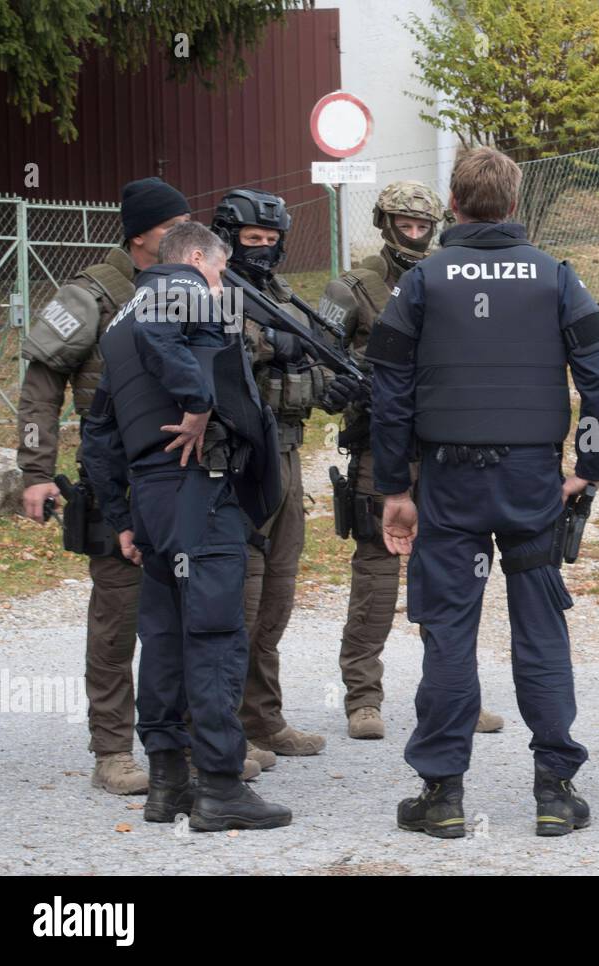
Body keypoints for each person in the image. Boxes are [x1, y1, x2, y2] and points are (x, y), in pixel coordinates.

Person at [367, 146, 599, 838]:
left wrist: (394, 485)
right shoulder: (556, 277)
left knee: (449, 630)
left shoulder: (421, 283)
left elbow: (387, 391)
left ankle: (442, 793)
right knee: (540, 627)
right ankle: (555, 791)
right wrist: (591, 465)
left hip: (448, 480)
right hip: (533, 478)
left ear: (452, 205)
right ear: (515, 205)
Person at [81, 221, 291, 830]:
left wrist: (121, 516)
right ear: (196, 256)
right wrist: (199, 404)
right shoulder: (178, 292)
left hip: (152, 497)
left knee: (166, 638)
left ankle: (168, 783)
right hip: (200, 488)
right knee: (216, 634)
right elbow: (170, 346)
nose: (221, 282)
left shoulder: (120, 320)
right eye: (221, 269)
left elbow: (97, 433)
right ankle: (221, 787)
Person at [16, 178, 190, 795]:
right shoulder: (92, 294)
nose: (183, 237)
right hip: (111, 480)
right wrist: (36, 472)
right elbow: (41, 382)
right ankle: (112, 750)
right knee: (118, 620)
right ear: (139, 234)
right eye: (171, 228)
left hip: (179, 482)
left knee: (190, 615)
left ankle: (184, 742)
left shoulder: (187, 289)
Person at [320, 180, 505, 740]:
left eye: (423, 225)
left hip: (448, 447)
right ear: (385, 223)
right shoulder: (350, 288)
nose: (416, 234)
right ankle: (363, 698)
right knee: (377, 576)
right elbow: (316, 359)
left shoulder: (452, 278)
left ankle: (455, 696)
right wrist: (347, 386)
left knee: (450, 574)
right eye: (405, 224)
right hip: (382, 448)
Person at [213, 188, 359, 765]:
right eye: (253, 241)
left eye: (273, 242)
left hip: (288, 456)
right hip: (239, 460)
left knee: (278, 592)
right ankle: (222, 728)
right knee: (239, 599)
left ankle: (262, 718)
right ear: (227, 237)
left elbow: (301, 375)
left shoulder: (278, 295)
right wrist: (271, 345)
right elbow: (226, 370)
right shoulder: (207, 291)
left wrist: (331, 389)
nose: (265, 252)